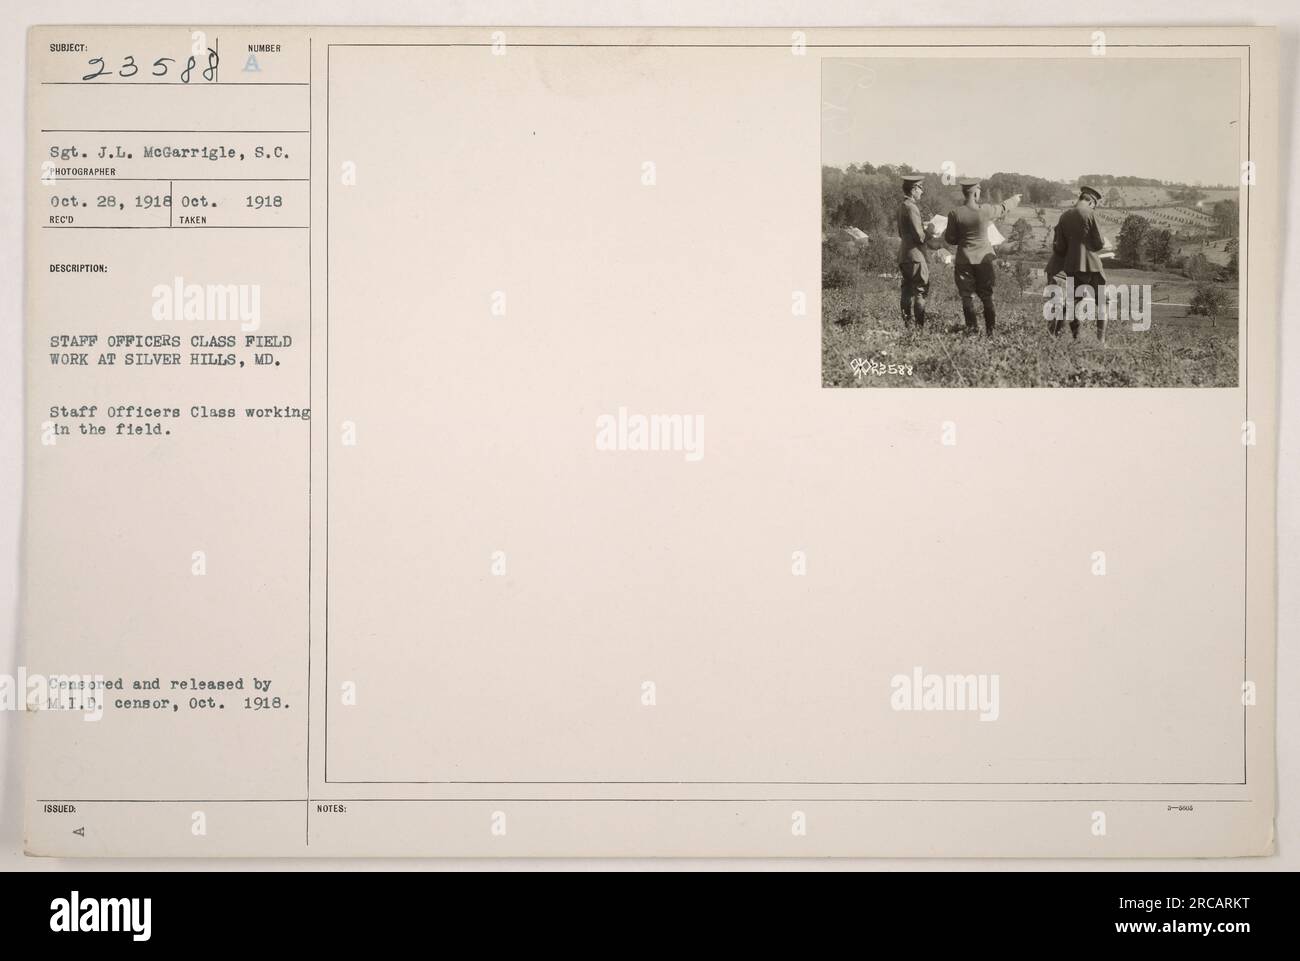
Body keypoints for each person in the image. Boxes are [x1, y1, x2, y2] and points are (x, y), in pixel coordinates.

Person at [943, 178, 1020, 335]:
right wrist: (1015, 199)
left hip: (964, 260)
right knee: (987, 297)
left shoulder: (954, 213)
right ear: (976, 192)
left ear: (965, 193)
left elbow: (950, 239)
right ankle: (990, 333)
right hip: (983, 262)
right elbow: (1002, 208)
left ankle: (972, 331)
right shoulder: (984, 210)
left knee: (966, 296)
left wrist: (962, 237)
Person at [1051, 185, 1109, 343]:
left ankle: (1056, 339)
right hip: (1092, 265)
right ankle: (1101, 342)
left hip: (1071, 266)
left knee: (1070, 303)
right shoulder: (1090, 213)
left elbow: (1060, 248)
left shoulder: (1064, 216)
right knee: (1103, 302)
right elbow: (1099, 243)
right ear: (1091, 203)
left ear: (1080, 198)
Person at [896, 174, 938, 329]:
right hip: (916, 256)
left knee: (906, 291)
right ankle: (919, 329)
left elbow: (902, 233)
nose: (922, 191)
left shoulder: (902, 206)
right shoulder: (912, 207)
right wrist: (931, 231)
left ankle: (907, 327)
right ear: (913, 189)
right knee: (920, 292)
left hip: (904, 255)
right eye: (920, 188)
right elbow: (919, 237)